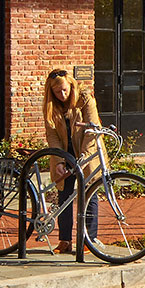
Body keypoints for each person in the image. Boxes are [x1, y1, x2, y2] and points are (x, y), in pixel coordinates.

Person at [42, 67, 103, 248]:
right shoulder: (51, 106)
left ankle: (88, 240)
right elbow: (52, 135)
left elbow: (93, 130)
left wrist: (83, 155)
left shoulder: (85, 99)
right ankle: (65, 241)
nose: (61, 94)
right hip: (64, 154)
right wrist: (59, 160)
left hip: (86, 153)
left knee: (89, 194)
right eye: (56, 91)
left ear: (70, 85)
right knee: (64, 196)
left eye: (64, 90)